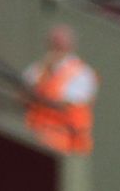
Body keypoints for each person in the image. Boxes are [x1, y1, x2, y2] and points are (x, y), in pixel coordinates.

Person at [22, 25, 98, 155]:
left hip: (66, 144)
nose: (56, 48)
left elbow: (69, 104)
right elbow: (22, 94)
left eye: (60, 44)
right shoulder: (39, 68)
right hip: (35, 136)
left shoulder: (81, 73)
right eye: (53, 44)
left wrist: (38, 94)